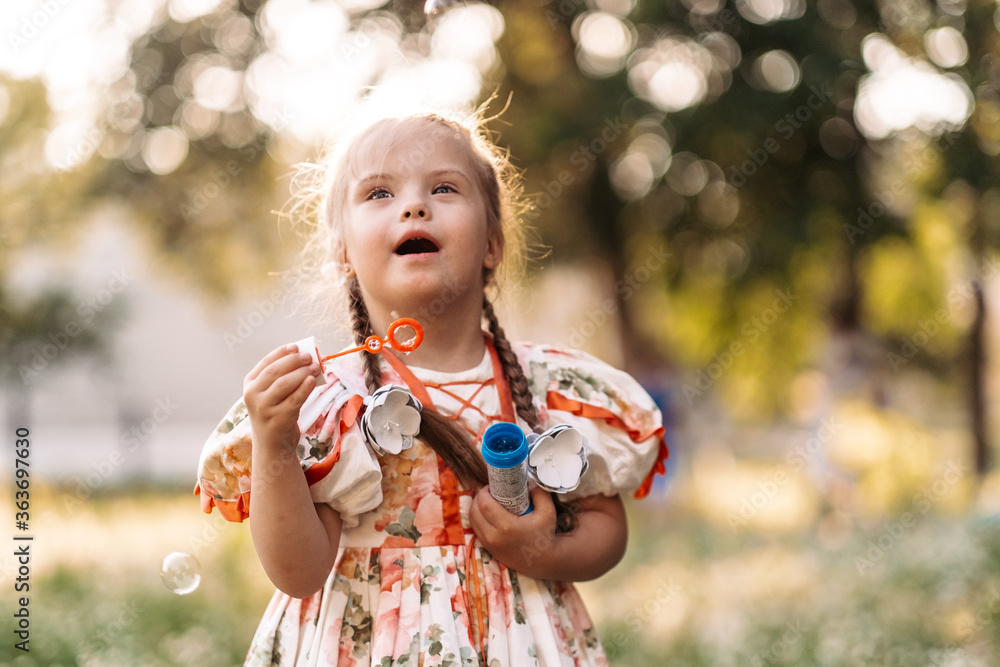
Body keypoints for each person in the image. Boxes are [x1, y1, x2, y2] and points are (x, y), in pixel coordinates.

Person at [195, 107, 669, 667]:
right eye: (379, 193)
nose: (414, 206)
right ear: (343, 252)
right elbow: (297, 574)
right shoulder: (328, 402)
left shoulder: (551, 387)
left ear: (492, 243)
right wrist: (274, 444)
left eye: (444, 188)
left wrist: (546, 550)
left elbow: (607, 529)